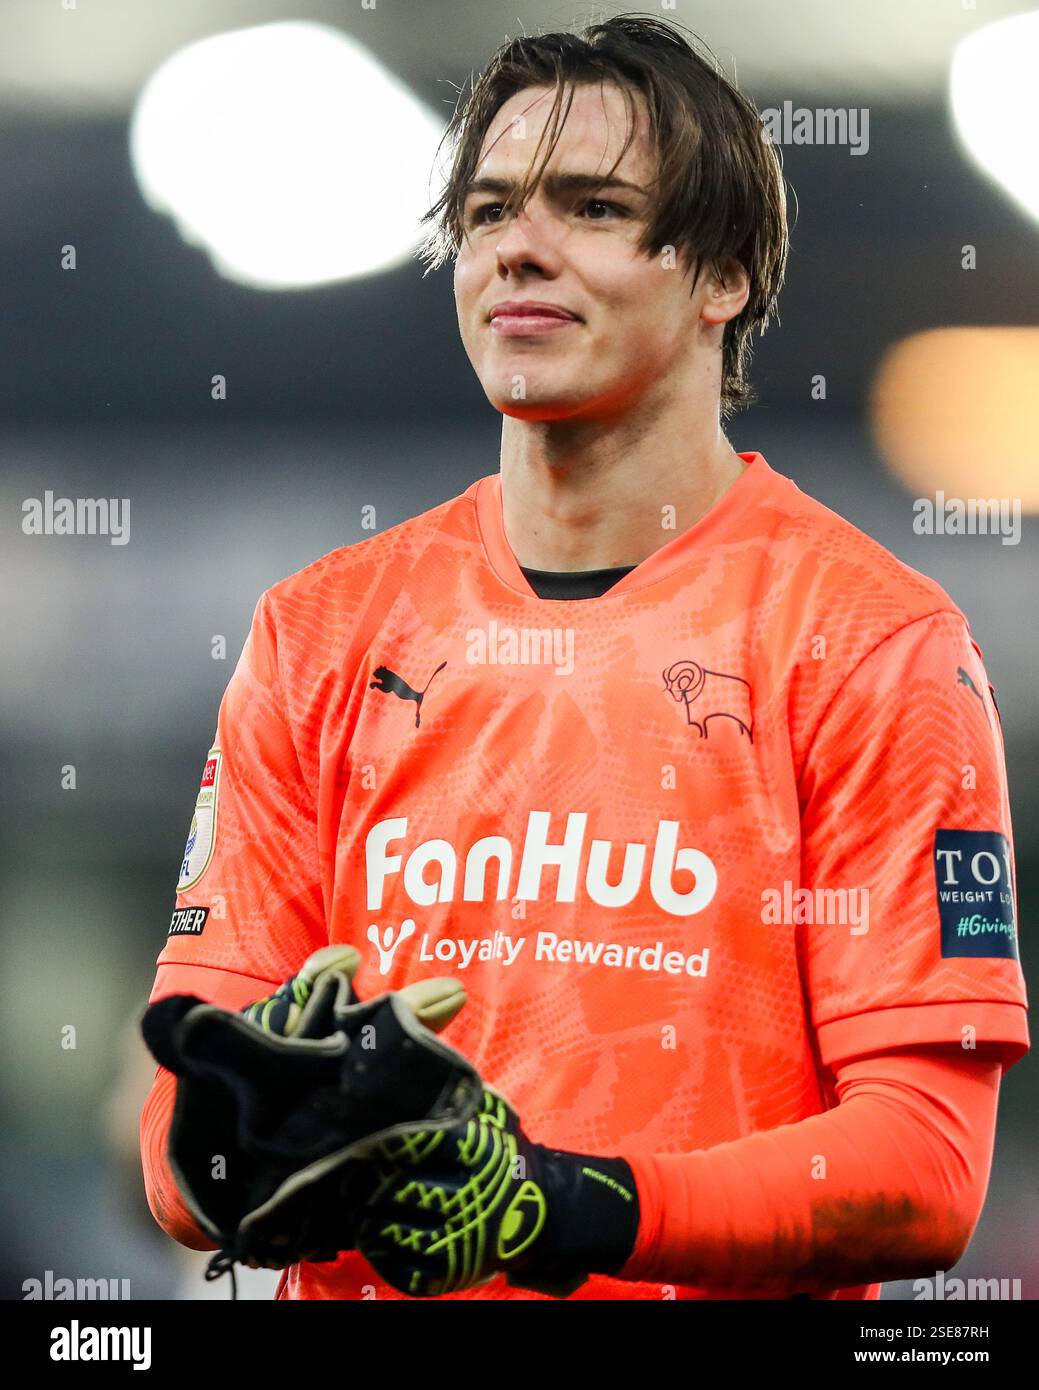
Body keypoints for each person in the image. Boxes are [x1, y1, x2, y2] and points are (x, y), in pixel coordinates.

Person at [140, 14, 1029, 1300]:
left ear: (720, 275)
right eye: (490, 208)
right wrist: (245, 1138)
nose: (518, 245)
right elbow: (181, 1158)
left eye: (592, 206)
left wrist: (560, 1210)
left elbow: (924, 1168)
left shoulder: (875, 644)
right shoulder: (314, 633)